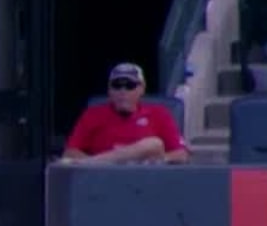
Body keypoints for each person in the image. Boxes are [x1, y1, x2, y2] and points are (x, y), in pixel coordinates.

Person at [61, 63, 190, 165]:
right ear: (109, 90)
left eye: (130, 86)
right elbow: (70, 153)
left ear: (141, 89)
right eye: (117, 86)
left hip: (144, 176)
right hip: (103, 176)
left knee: (153, 144)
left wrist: (157, 161)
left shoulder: (159, 113)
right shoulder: (92, 114)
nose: (123, 91)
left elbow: (181, 154)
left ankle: (99, 162)